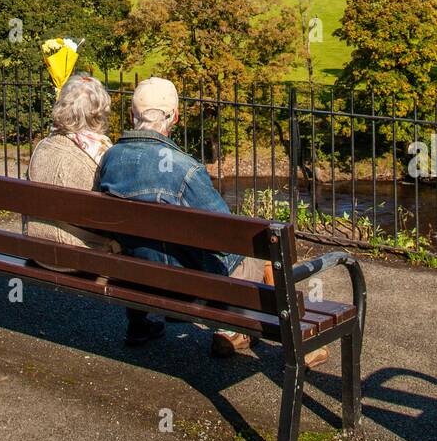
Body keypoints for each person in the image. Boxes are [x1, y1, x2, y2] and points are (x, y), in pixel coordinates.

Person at [97, 76, 273, 356]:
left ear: (131, 115)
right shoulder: (185, 170)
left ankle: (140, 324)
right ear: (175, 117)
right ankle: (231, 328)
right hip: (187, 289)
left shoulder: (110, 159)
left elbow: (102, 225)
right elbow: (227, 238)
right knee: (259, 249)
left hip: (135, 278)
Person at [25, 73, 120, 271]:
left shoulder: (42, 146)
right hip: (83, 254)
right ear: (99, 111)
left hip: (38, 248)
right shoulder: (103, 152)